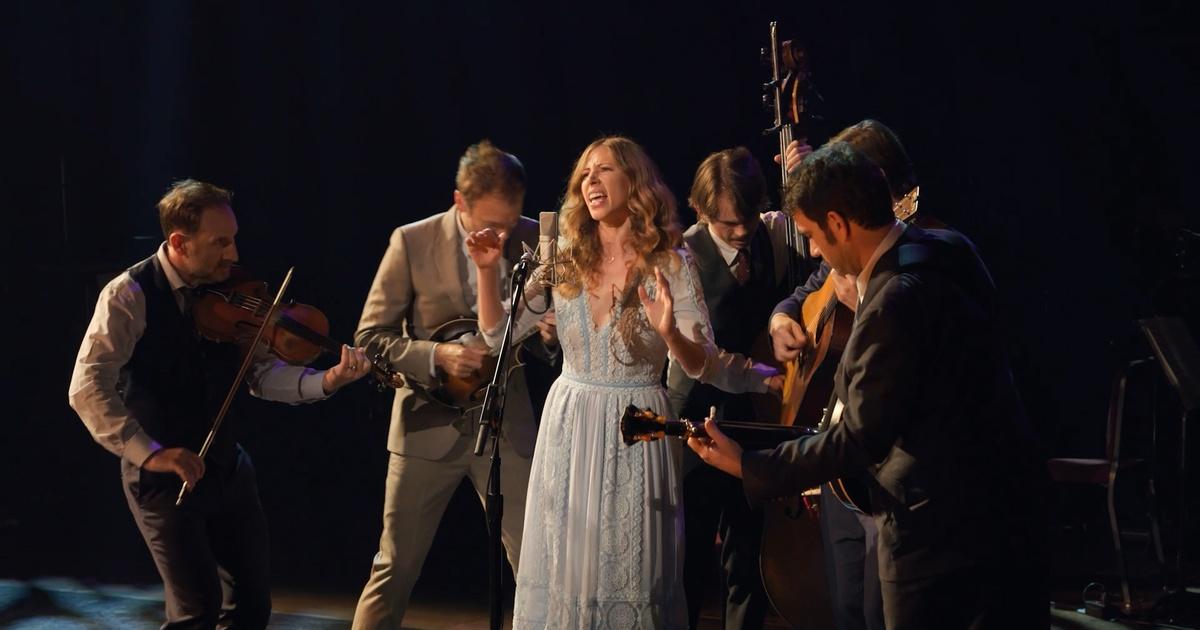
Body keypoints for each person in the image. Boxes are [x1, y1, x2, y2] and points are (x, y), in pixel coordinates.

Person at [690, 142, 1047, 629]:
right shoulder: (951, 248)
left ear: (838, 223)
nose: (813, 250)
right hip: (1006, 509)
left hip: (929, 523)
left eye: (814, 235)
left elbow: (859, 437)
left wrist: (748, 465)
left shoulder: (890, 302)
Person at [68, 179, 373, 629]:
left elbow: (262, 375)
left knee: (252, 607)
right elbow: (87, 386)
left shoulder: (233, 293)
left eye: (233, 240)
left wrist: (328, 379)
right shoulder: (128, 294)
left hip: (228, 468)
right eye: (220, 243)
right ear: (178, 242)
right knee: (196, 611)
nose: (233, 255)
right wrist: (150, 453)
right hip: (163, 478)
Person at [468, 136, 724, 629]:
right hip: (571, 417)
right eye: (585, 173)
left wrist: (670, 332)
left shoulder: (671, 260)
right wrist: (485, 272)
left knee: (632, 568)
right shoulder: (565, 256)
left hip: (640, 420)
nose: (591, 181)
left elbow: (701, 363)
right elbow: (499, 332)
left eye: (604, 170)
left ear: (635, 182)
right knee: (569, 567)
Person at [351, 140, 557, 629]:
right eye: (490, 223)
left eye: (510, 222)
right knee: (395, 566)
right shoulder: (412, 241)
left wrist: (551, 334)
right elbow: (370, 337)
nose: (502, 234)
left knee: (537, 567)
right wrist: (436, 355)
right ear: (459, 201)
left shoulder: (537, 239)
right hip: (426, 426)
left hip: (508, 424)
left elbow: (549, 342)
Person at [772, 119, 936, 630]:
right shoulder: (842, 246)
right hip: (838, 456)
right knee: (843, 608)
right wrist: (781, 319)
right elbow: (804, 295)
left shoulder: (923, 251)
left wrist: (863, 302)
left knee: (878, 611)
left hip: (883, 467)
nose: (815, 249)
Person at [665, 146, 801, 630]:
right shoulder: (681, 254)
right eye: (727, 224)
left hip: (762, 418)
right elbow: (703, 356)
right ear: (699, 210)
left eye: (747, 217)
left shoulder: (777, 234)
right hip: (696, 413)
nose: (742, 231)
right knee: (691, 554)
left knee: (750, 554)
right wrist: (764, 376)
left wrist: (802, 171)